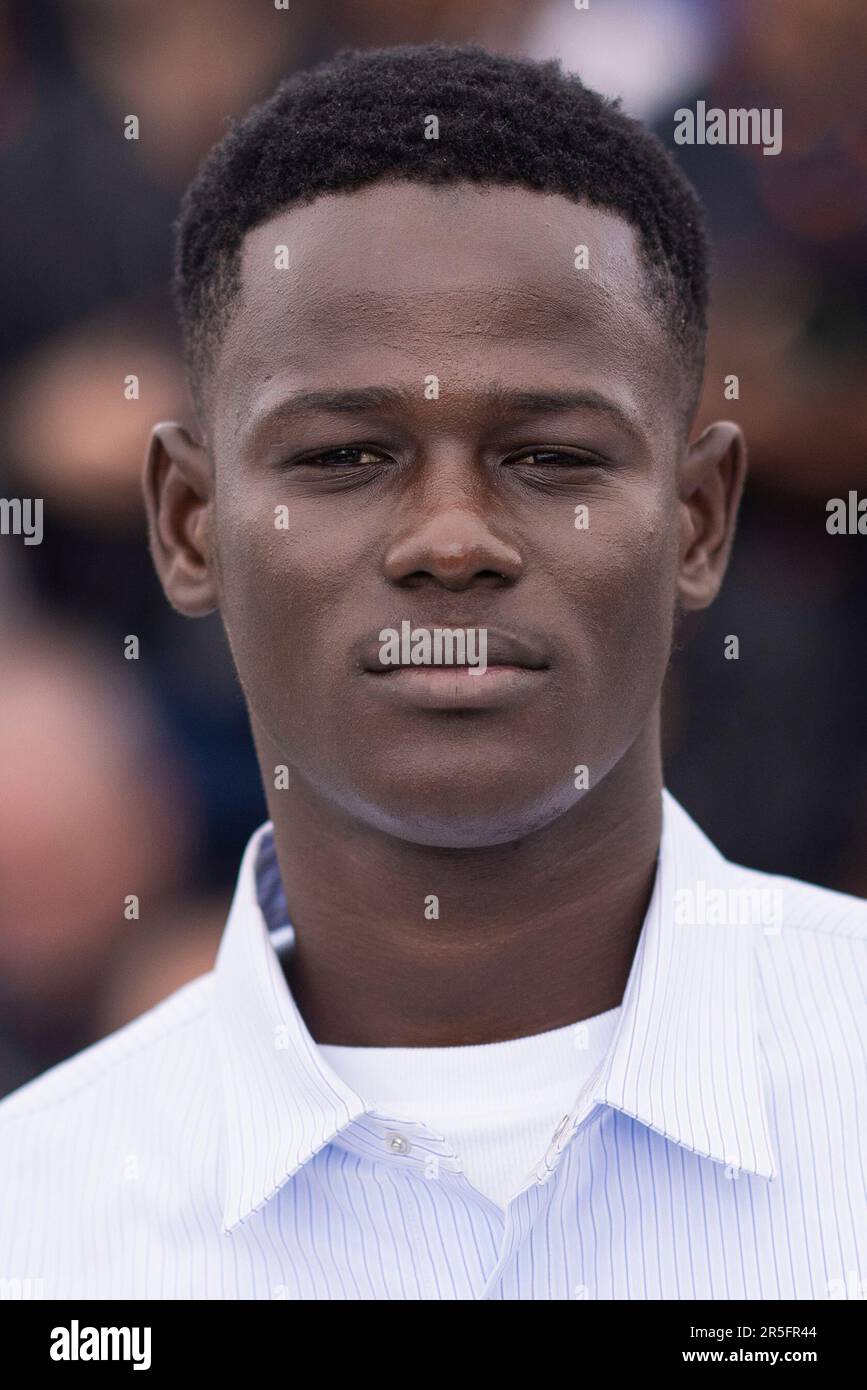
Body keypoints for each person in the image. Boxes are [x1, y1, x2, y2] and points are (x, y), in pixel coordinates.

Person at [0, 42, 863, 1301]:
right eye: (345, 456)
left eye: (553, 457)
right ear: (190, 524)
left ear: (698, 521)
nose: (451, 539)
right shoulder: (38, 1230)